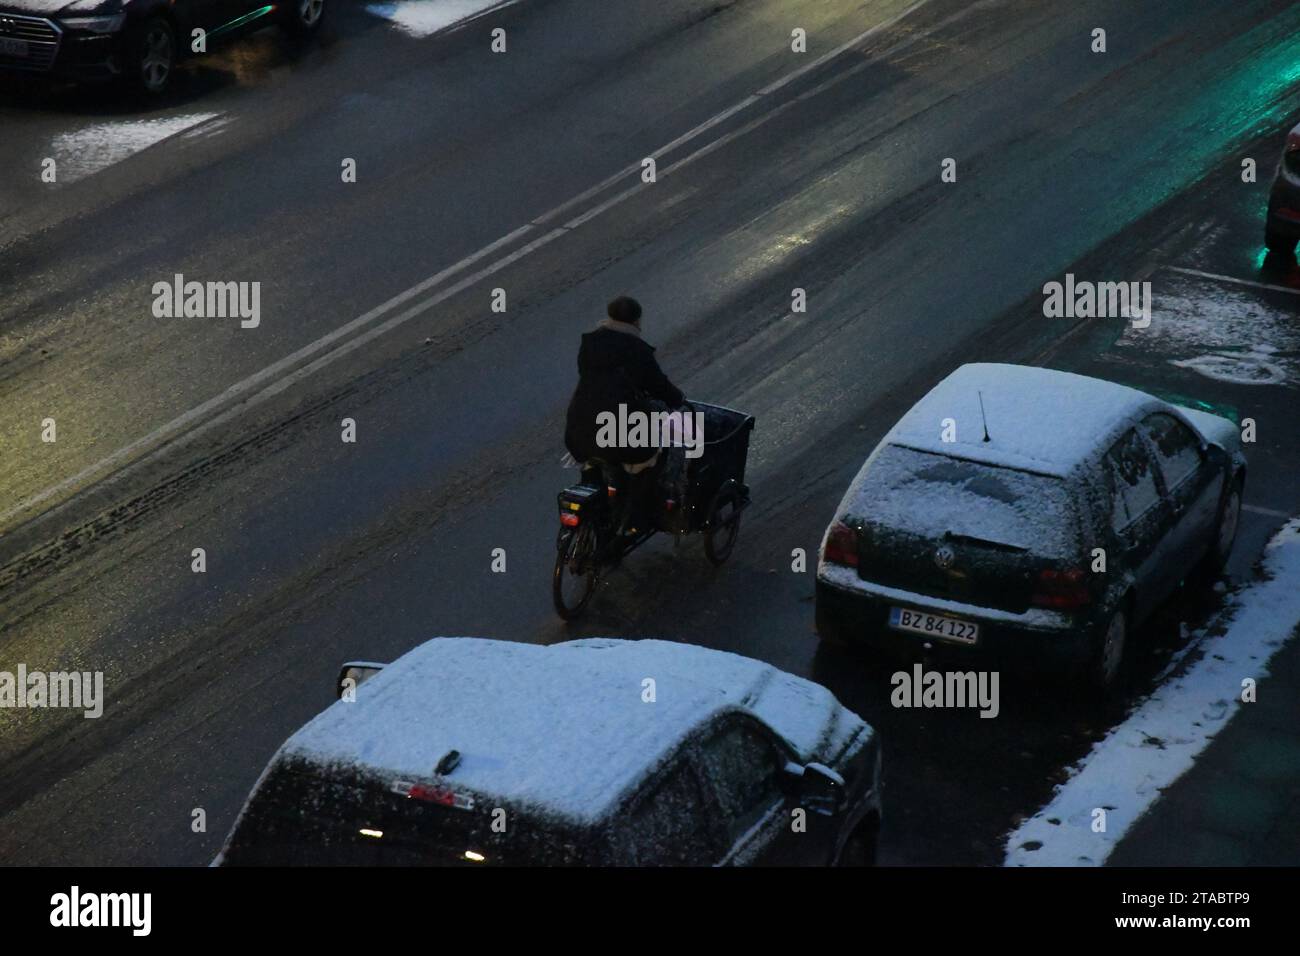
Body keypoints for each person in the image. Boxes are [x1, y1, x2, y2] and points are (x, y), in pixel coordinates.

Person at [565, 296, 685, 533]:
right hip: (618, 434)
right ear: (637, 320)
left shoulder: (590, 343)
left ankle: (597, 508)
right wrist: (678, 399)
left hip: (579, 429)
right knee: (656, 451)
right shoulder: (638, 350)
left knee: (596, 458)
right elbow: (659, 386)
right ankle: (637, 517)